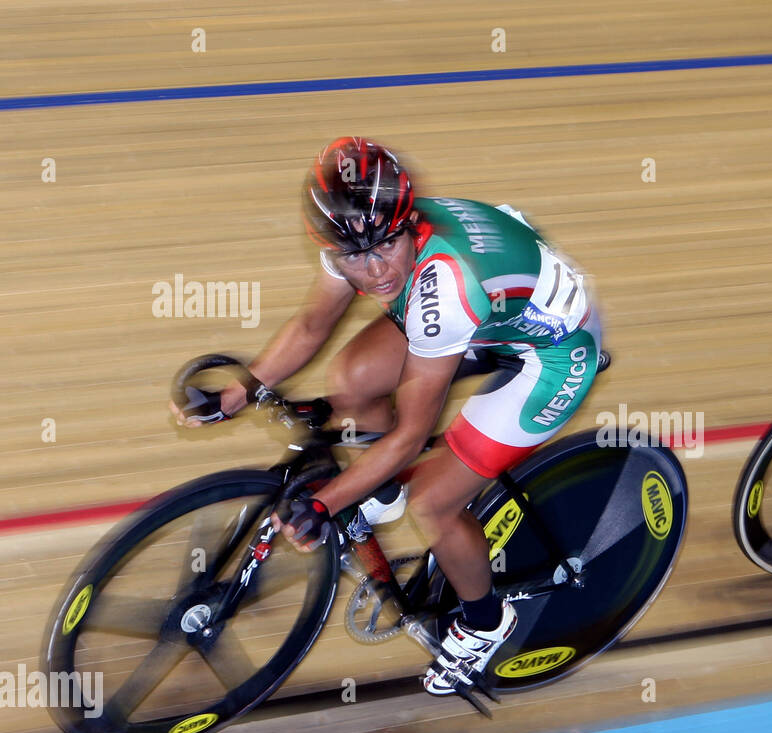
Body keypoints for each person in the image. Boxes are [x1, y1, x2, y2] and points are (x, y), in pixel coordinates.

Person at [171, 137, 603, 695]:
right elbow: (310, 327)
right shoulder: (357, 233)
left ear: (407, 223)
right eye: (354, 257)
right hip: (489, 311)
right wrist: (241, 391)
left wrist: (327, 503)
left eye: (386, 246)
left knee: (435, 503)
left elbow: (409, 435)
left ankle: (487, 621)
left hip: (551, 356)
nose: (374, 271)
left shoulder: (441, 289)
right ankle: (383, 492)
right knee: (351, 380)